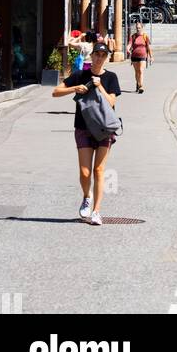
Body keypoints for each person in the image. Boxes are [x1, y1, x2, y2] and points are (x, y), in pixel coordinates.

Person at [53, 39, 120, 226]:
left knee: (99, 170)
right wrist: (75, 88)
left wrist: (99, 86)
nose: (99, 58)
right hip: (83, 127)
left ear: (106, 58)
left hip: (104, 128)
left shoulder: (111, 77)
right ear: (91, 56)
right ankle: (86, 196)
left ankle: (97, 212)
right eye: (97, 54)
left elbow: (111, 102)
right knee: (84, 172)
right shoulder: (80, 75)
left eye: (103, 55)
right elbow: (55, 92)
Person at [126, 21, 152, 94]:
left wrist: (151, 56)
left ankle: (141, 86)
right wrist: (127, 49)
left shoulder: (145, 36)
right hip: (134, 56)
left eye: (139, 28)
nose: (138, 29)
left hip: (143, 56)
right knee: (137, 72)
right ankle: (137, 83)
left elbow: (148, 47)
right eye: (137, 28)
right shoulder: (133, 36)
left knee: (141, 70)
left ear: (142, 28)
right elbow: (129, 44)